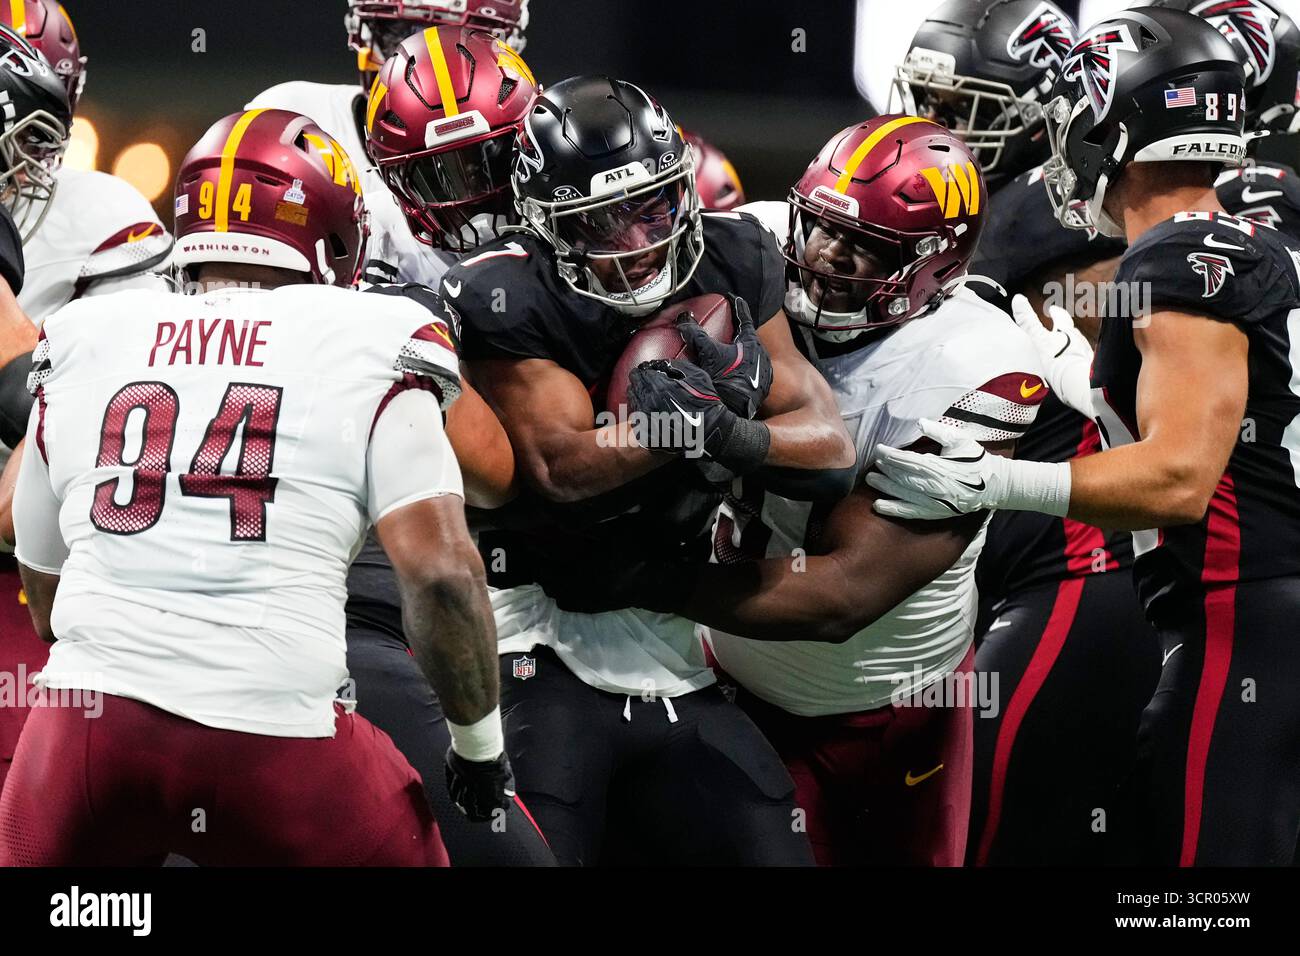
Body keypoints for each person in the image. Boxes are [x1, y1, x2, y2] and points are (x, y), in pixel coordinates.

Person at [0, 108, 508, 865]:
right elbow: (440, 574)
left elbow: (36, 569)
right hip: (277, 742)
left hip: (83, 741)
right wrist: (477, 746)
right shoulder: (374, 334)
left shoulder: (86, 334)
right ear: (334, 232)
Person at [541, 116, 1048, 865]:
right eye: (815, 227)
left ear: (939, 264)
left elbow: (844, 595)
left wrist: (641, 580)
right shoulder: (748, 247)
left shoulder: (977, 360)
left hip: (896, 705)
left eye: (867, 246)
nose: (824, 256)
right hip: (728, 677)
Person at [871, 7, 1300, 866]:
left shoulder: (1179, 255)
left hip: (1241, 619)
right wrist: (1087, 384)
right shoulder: (1260, 237)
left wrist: (992, 481)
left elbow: (1179, 478)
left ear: (1117, 120)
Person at [441, 74, 859, 865]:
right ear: (545, 226)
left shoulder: (735, 254)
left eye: (654, 207)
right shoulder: (507, 292)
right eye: (602, 221)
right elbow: (561, 471)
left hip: (674, 634)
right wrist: (678, 428)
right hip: (538, 627)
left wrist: (731, 435)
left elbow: (830, 449)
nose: (638, 242)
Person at [896, 0, 1161, 865]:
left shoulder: (1068, 222)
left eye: (963, 109)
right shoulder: (913, 206)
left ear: (1044, 114)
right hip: (973, 578)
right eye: (926, 96)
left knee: (996, 835)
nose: (931, 126)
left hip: (1068, 575)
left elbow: (1130, 394)